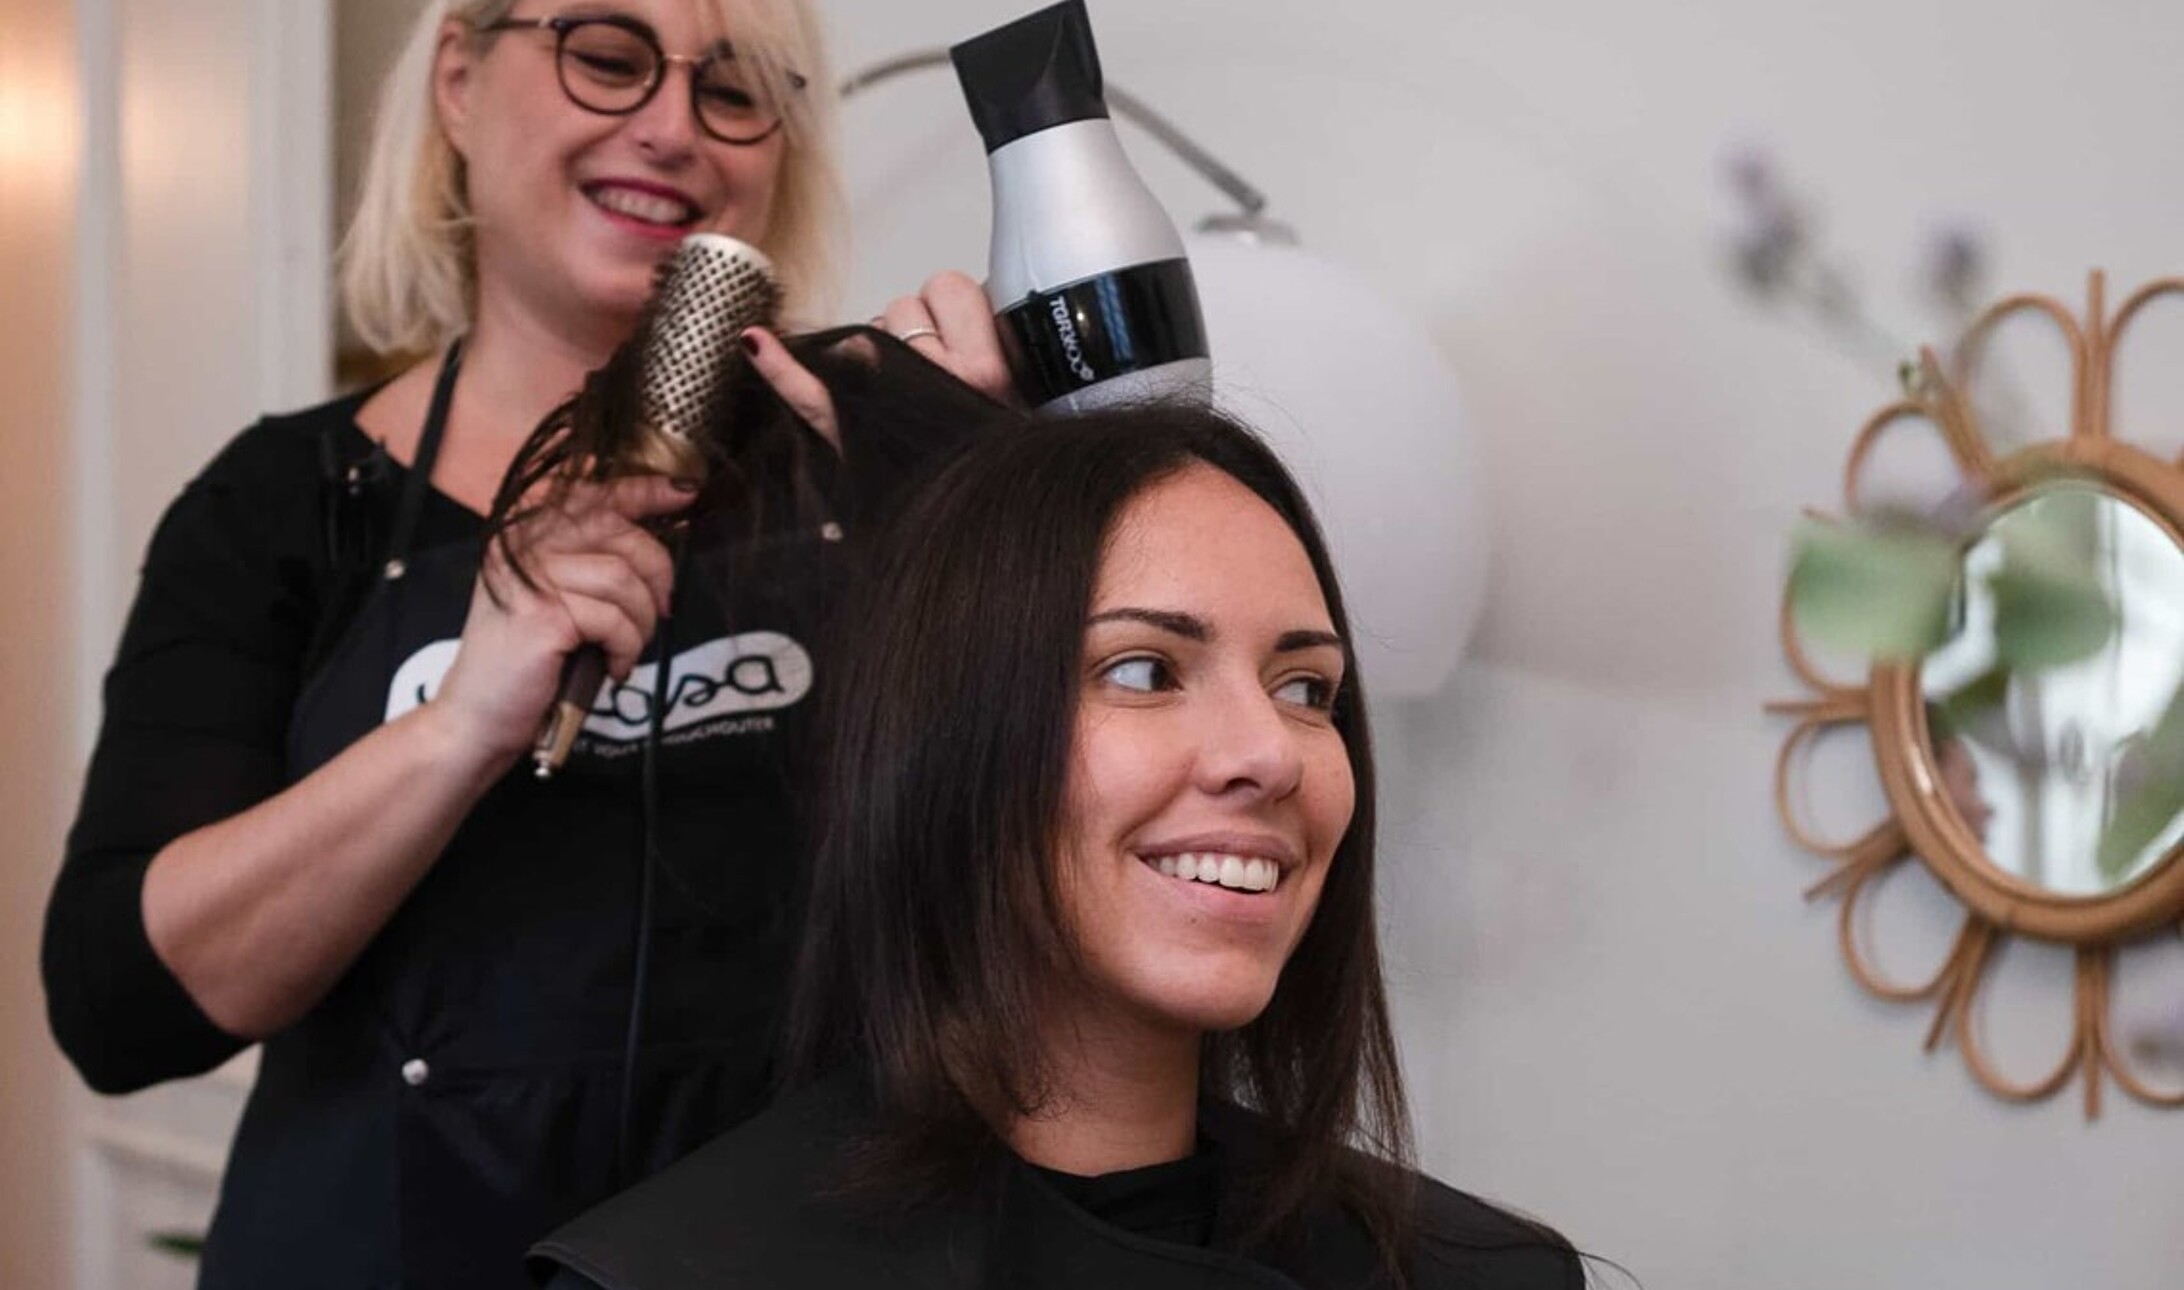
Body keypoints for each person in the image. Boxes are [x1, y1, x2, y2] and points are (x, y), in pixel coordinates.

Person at [40, 2, 1012, 1286]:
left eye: (732, 92)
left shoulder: (868, 474)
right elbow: (123, 1009)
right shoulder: (279, 506)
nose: (672, 130)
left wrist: (1002, 529)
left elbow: (1037, 890)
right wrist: (459, 727)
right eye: (606, 60)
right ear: (457, 80)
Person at [529, 406, 1586, 1289]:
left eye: (1305, 688)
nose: (1269, 753)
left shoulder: (1482, 1274)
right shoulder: (674, 1274)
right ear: (951, 743)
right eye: (1144, 670)